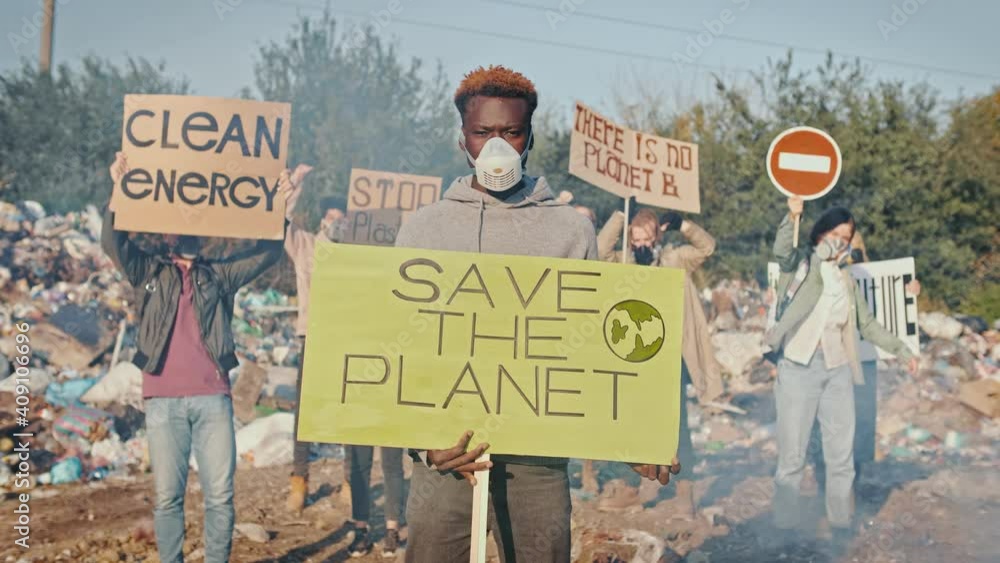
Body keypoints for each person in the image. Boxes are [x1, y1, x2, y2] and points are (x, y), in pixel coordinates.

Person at [394, 65, 680, 563]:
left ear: (530, 138)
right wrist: (424, 445)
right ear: (463, 137)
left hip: (538, 463)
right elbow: (398, 343)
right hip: (445, 455)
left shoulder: (570, 230)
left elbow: (593, 345)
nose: (496, 146)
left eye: (511, 132)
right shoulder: (423, 228)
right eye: (483, 132)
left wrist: (639, 432)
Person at [102, 152, 288, 563]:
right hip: (162, 401)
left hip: (212, 400)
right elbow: (113, 242)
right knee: (168, 498)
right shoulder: (148, 272)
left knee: (220, 497)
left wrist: (280, 207)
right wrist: (119, 187)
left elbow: (267, 253)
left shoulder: (218, 275)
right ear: (167, 232)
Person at [766, 197, 918, 546]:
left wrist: (902, 350)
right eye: (834, 233)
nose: (839, 241)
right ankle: (784, 528)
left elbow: (867, 325)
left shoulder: (847, 280)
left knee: (841, 455)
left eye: (846, 237)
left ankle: (840, 525)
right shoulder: (800, 265)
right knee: (792, 456)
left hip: (836, 370)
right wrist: (792, 215)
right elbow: (781, 251)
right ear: (819, 234)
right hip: (798, 366)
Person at [593, 204, 724, 519]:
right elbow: (599, 249)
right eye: (635, 239)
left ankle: (685, 491)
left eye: (646, 239)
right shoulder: (623, 262)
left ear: (657, 237)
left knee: (675, 427)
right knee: (634, 423)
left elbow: (707, 248)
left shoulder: (674, 260)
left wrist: (683, 225)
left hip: (670, 357)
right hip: (635, 358)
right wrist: (621, 215)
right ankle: (641, 485)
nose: (641, 245)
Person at [810, 230, 921, 488]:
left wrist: (910, 291)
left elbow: (882, 315)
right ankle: (824, 486)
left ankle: (849, 491)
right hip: (830, 359)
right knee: (826, 423)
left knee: (858, 424)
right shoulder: (820, 277)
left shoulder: (871, 278)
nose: (850, 254)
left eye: (855, 248)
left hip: (862, 361)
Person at [282, 164, 342, 514]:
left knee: (350, 411)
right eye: (332, 218)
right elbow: (280, 224)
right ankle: (299, 482)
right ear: (322, 220)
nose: (336, 224)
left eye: (342, 219)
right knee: (305, 413)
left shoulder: (359, 253)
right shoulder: (305, 246)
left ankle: (353, 482)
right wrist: (295, 189)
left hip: (346, 340)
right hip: (312, 337)